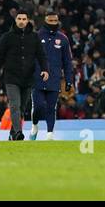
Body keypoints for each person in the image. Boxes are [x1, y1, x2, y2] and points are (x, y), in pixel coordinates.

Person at [0, 9, 45, 141]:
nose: (21, 21)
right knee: (14, 105)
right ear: (15, 20)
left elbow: (41, 55)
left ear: (28, 21)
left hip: (28, 78)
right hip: (11, 77)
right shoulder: (7, 37)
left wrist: (45, 69)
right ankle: (17, 133)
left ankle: (12, 134)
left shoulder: (34, 37)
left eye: (24, 19)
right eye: (19, 19)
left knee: (21, 109)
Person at [30, 10, 74, 141]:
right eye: (51, 21)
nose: (53, 23)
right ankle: (34, 125)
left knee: (51, 107)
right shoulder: (36, 37)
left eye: (55, 21)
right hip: (37, 78)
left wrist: (68, 80)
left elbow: (67, 62)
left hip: (54, 78)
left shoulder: (63, 39)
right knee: (37, 106)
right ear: (45, 21)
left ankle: (50, 134)